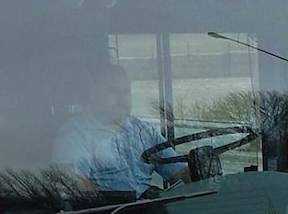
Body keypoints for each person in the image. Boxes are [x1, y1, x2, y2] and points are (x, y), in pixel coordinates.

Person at [51, 62, 187, 198]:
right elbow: (79, 189)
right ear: (93, 93)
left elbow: (179, 172)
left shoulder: (143, 130)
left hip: (148, 209)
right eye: (113, 91)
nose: (122, 99)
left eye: (126, 91)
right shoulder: (74, 135)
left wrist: (203, 177)